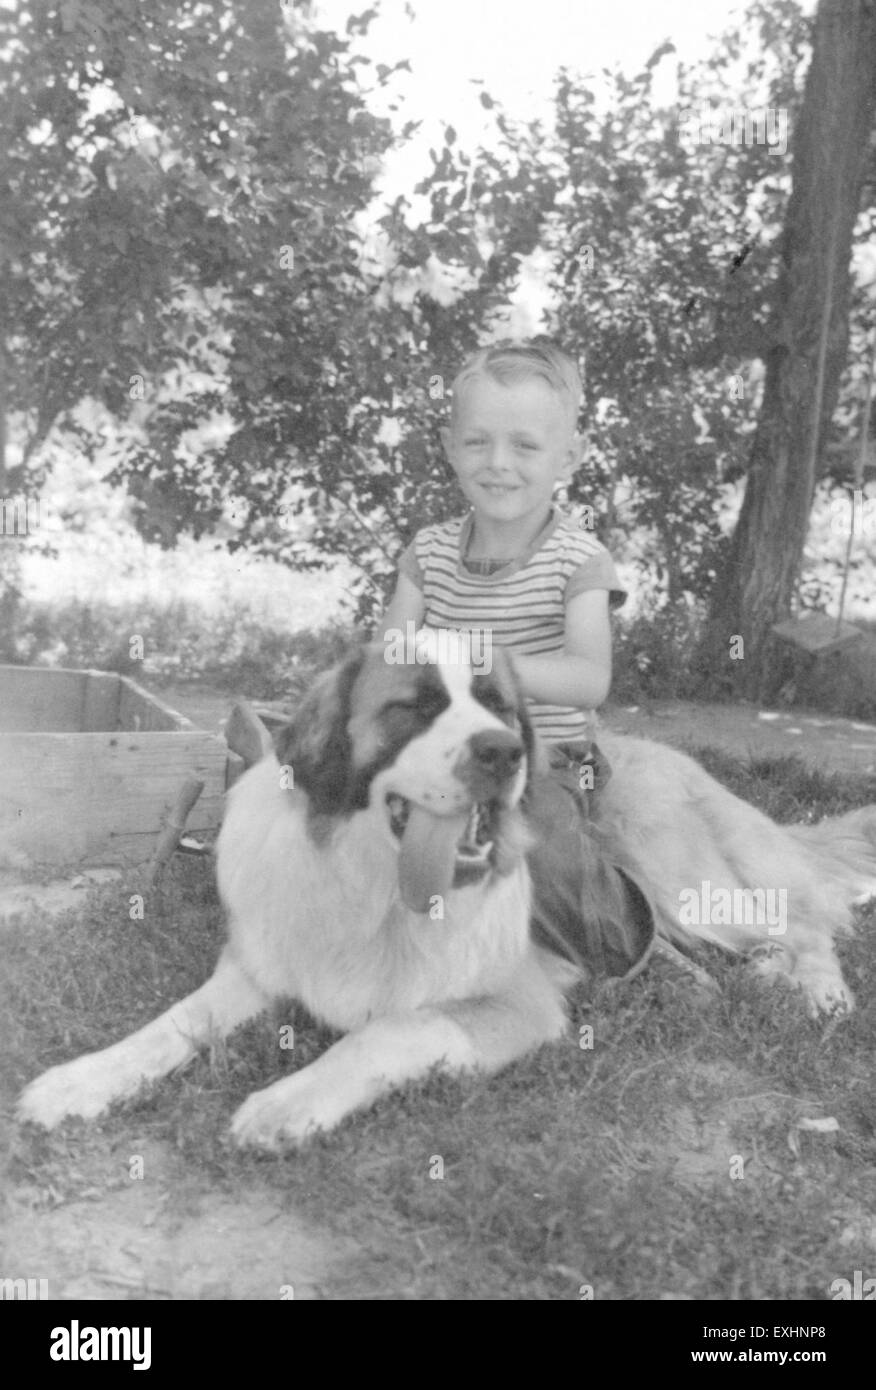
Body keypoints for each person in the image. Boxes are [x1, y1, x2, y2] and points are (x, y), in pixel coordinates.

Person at [379, 338, 654, 985]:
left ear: (569, 456)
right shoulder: (430, 552)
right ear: (450, 446)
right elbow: (389, 653)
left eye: (525, 446)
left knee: (542, 852)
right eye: (478, 442)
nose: (498, 463)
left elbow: (589, 678)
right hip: (443, 751)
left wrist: (486, 664)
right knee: (354, 816)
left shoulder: (577, 560)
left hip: (546, 760)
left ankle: (631, 940)